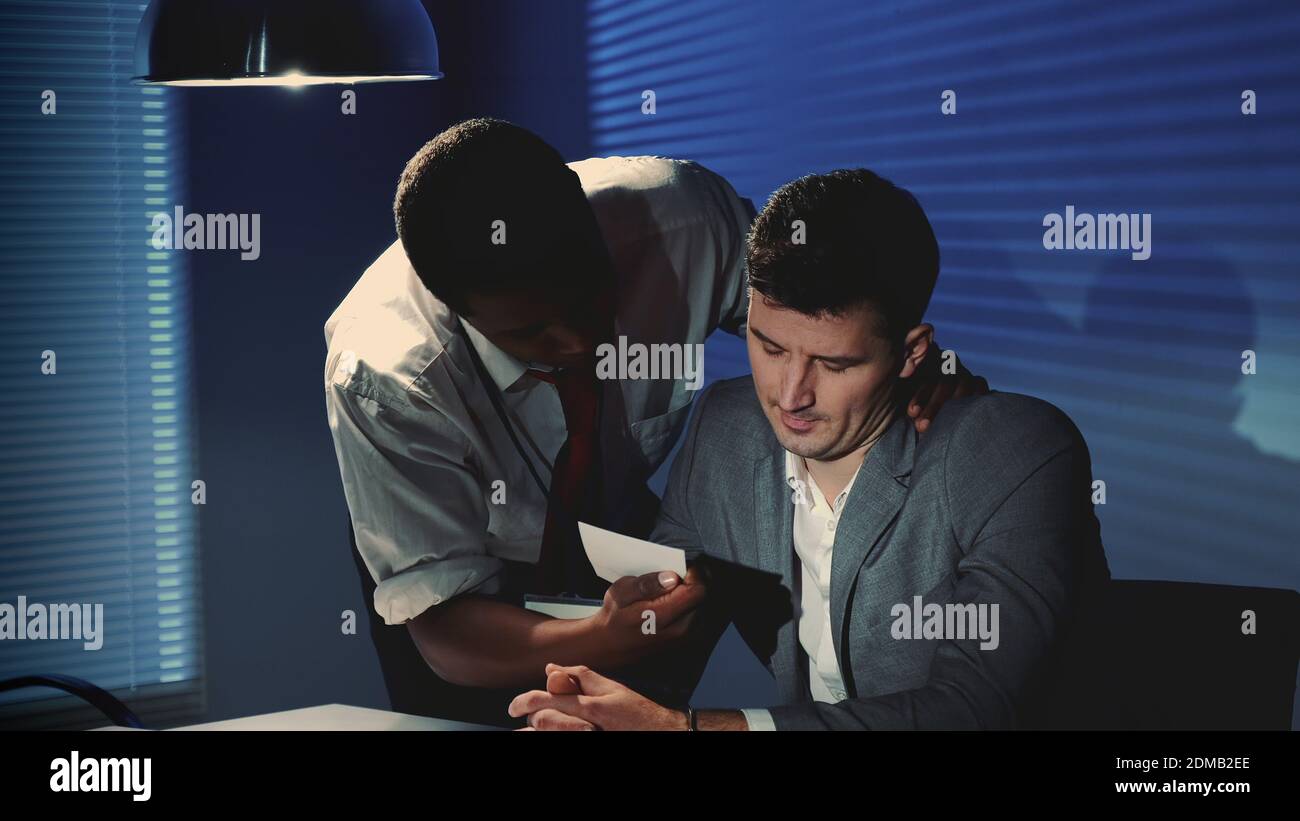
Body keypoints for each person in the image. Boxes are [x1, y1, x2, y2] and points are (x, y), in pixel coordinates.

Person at [324, 120, 986, 724]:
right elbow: (444, 636)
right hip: (465, 588)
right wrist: (602, 637)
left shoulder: (687, 222)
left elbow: (815, 315)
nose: (582, 340)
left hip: (616, 528)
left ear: (586, 213)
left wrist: (911, 366)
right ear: (456, 308)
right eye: (533, 333)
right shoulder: (385, 376)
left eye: (590, 293)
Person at [508, 169, 1110, 730]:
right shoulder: (726, 427)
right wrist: (587, 699)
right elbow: (666, 634)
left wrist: (686, 731)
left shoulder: (1016, 450)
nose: (790, 396)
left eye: (834, 362)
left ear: (912, 353)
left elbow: (973, 708)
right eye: (769, 348)